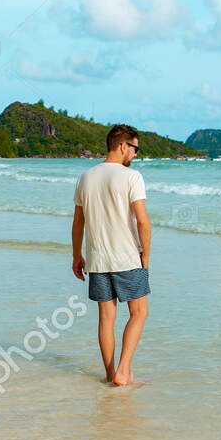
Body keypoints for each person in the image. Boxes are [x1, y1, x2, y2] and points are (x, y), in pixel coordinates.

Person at [72, 124, 151, 385]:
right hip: (126, 256)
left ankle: (109, 376)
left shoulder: (85, 177)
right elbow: (142, 222)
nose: (135, 154)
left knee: (106, 318)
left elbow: (78, 223)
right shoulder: (132, 177)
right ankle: (123, 371)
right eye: (135, 148)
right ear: (122, 145)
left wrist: (76, 256)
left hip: (96, 259)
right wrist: (145, 255)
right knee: (139, 312)